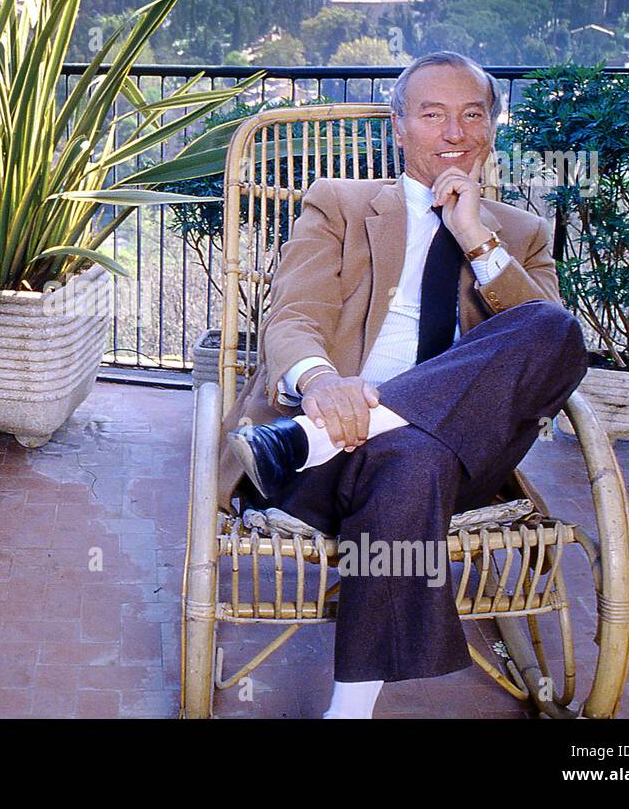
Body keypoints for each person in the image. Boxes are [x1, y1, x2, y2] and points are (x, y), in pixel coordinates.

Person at [219, 51, 588, 719]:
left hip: (456, 463)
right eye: (433, 114)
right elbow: (294, 316)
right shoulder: (340, 204)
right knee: (413, 457)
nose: (454, 133)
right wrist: (323, 382)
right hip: (335, 472)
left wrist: (476, 237)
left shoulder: (522, 234)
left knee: (556, 331)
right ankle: (350, 714)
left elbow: (545, 358)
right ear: (398, 127)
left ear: (492, 129)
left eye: (473, 115)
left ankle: (315, 436)